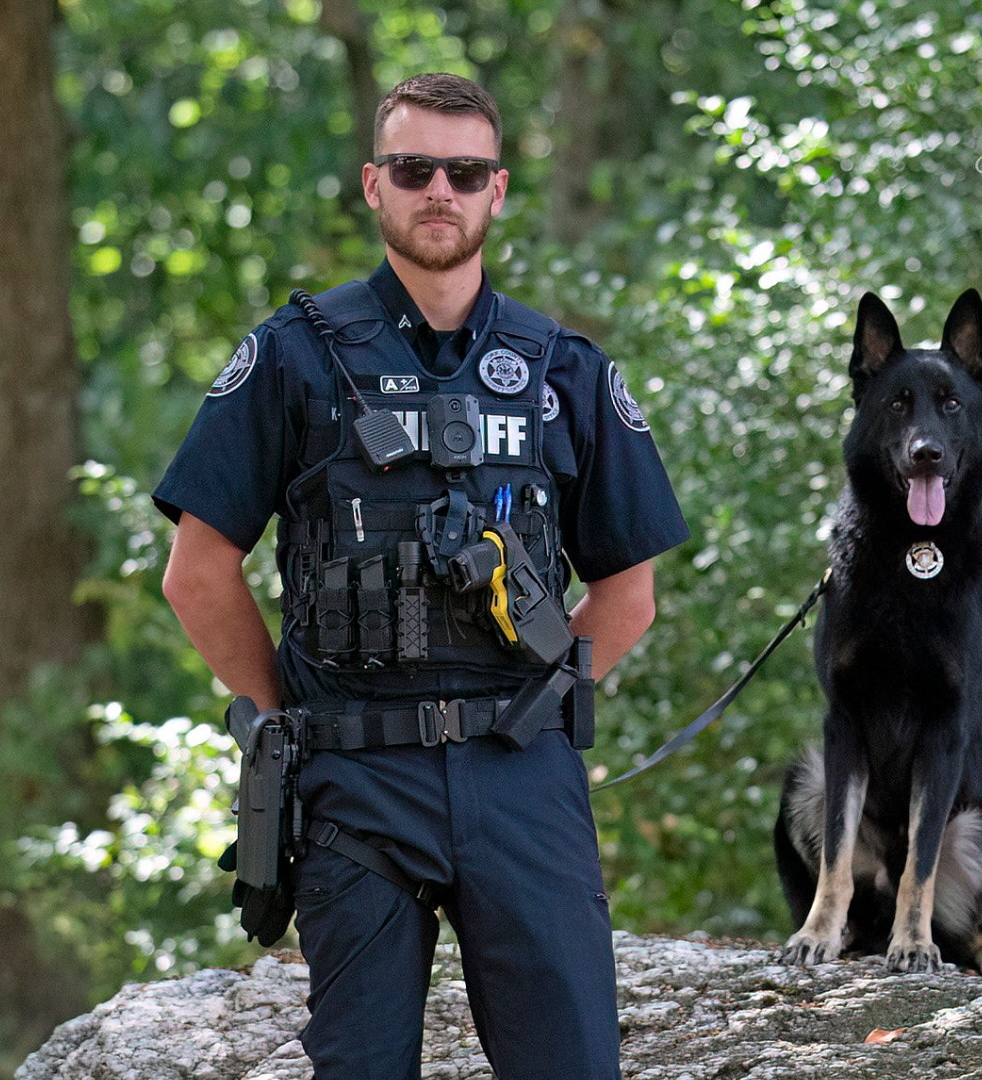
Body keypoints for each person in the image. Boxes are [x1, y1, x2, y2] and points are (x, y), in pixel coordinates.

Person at [154, 72, 688, 1079]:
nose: (437, 188)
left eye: (464, 169)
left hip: (521, 777)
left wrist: (546, 706)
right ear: (373, 185)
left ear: (498, 190)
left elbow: (629, 590)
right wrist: (286, 722)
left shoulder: (561, 367)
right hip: (353, 781)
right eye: (413, 168)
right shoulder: (291, 358)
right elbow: (197, 571)